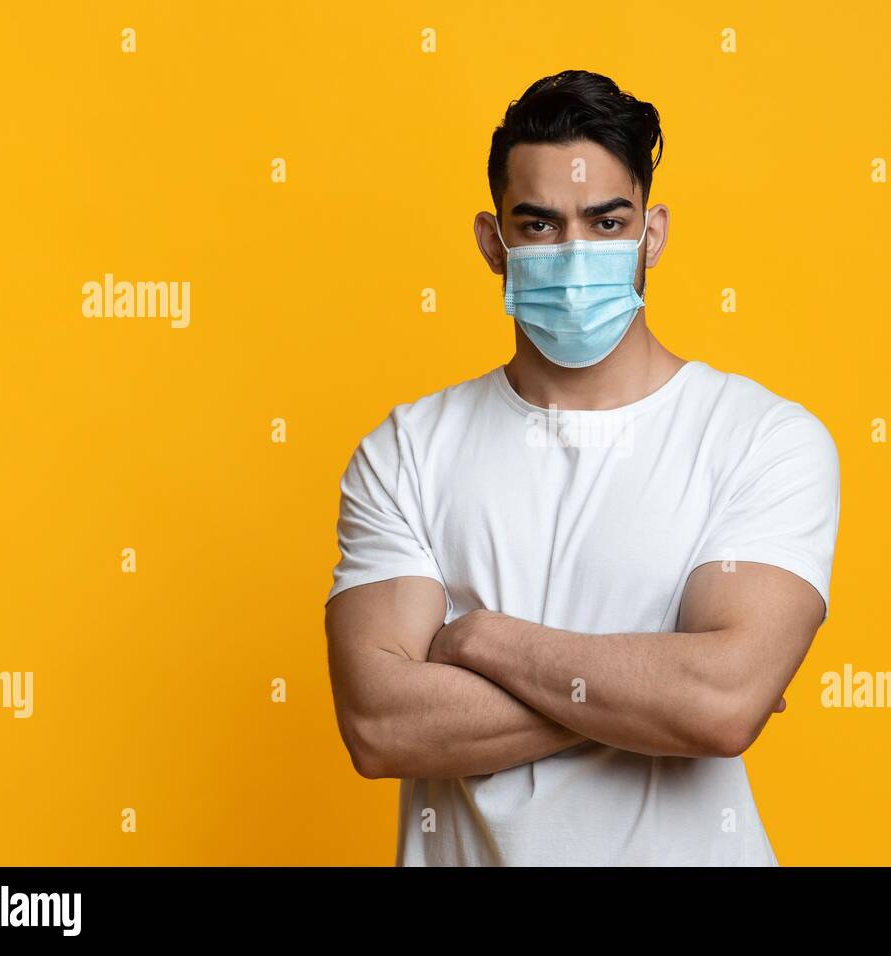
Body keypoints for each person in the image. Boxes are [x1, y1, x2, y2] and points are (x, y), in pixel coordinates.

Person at [324, 69, 840, 866]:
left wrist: (487, 640)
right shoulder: (407, 450)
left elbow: (721, 706)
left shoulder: (761, 437)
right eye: (539, 225)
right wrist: (671, 695)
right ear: (493, 244)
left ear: (653, 234)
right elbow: (381, 726)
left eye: (606, 222)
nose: (574, 254)